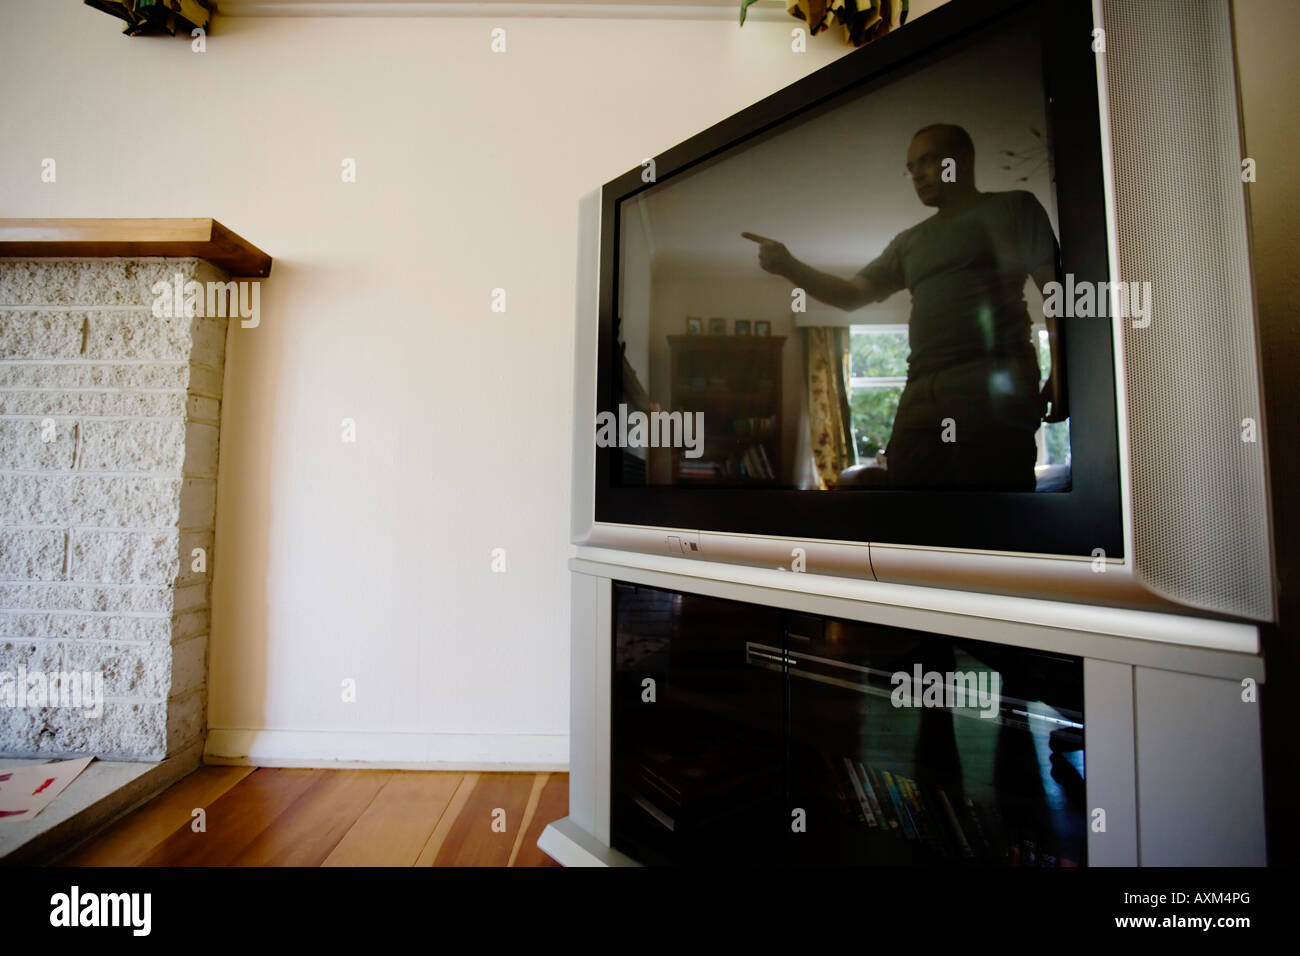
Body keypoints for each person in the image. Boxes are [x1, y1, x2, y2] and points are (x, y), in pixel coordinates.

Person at [743, 123, 1066, 491]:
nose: (917, 175)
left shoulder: (1014, 207)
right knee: (906, 506)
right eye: (911, 167)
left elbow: (1055, 289)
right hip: (921, 387)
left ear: (963, 158)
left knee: (995, 514)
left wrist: (1062, 374)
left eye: (927, 161)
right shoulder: (909, 242)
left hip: (993, 384)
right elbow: (851, 296)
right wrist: (789, 266)